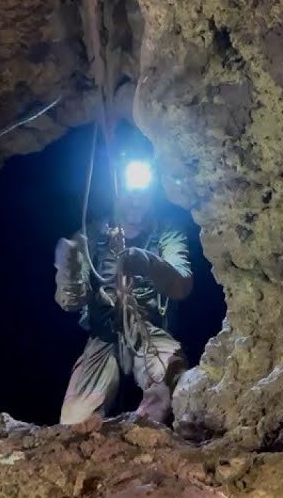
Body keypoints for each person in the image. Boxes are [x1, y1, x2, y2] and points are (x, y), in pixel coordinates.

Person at [54, 140, 194, 425]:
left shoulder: (167, 232)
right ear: (116, 191)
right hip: (104, 333)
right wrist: (69, 270)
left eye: (143, 192)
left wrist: (144, 261)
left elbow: (182, 285)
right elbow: (71, 302)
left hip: (148, 329)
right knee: (74, 420)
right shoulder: (93, 234)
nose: (136, 199)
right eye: (130, 191)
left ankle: (146, 435)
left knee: (170, 375)